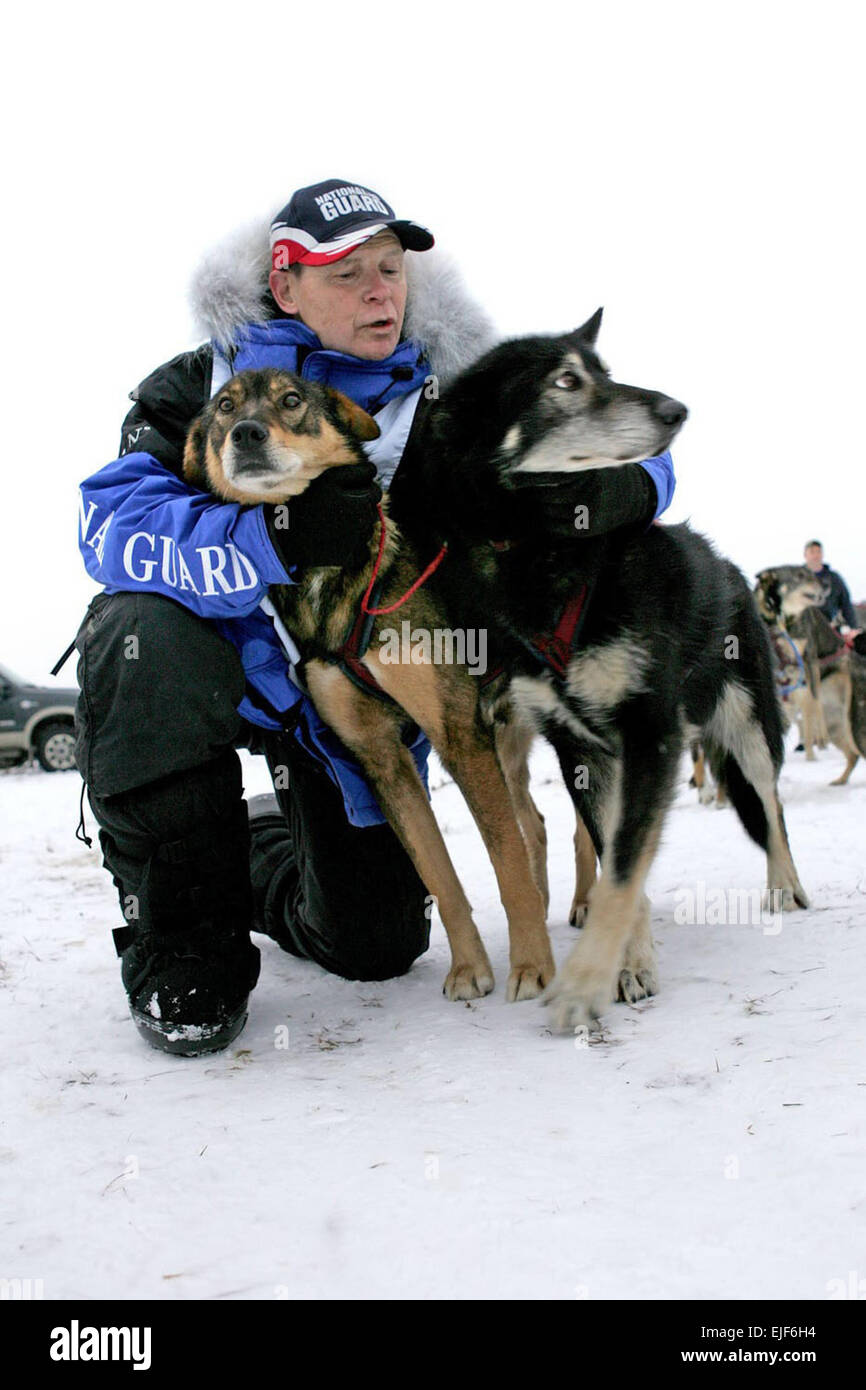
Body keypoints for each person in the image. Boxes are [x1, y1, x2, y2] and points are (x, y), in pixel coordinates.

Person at [74, 177, 677, 1056]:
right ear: (286, 287)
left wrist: (614, 491)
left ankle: (254, 848)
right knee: (139, 634)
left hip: (372, 700)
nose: (379, 292)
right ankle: (181, 944)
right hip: (233, 672)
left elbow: (630, 442)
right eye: (347, 273)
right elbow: (110, 528)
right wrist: (270, 536)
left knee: (373, 947)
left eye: (390, 271)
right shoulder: (204, 385)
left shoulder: (453, 389)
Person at [803, 539, 858, 630]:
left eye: (818, 552)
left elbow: (846, 605)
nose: (816, 555)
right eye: (812, 552)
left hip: (829, 629)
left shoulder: (834, 579)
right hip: (805, 629)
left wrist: (853, 628)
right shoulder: (798, 579)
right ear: (805, 555)